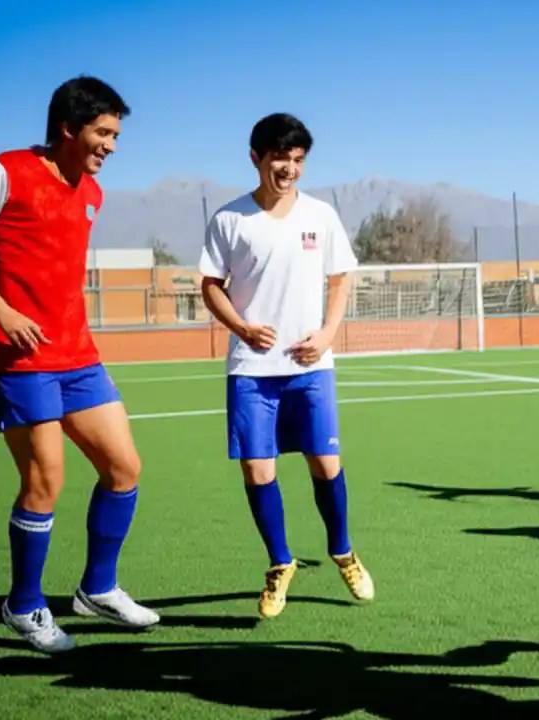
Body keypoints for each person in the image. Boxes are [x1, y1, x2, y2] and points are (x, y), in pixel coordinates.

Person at [0, 76, 158, 654]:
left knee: (124, 468)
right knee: (45, 480)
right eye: (103, 133)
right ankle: (25, 604)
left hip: (78, 355)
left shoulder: (91, 193)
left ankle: (97, 590)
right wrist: (1, 310)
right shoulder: (5, 170)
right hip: (18, 358)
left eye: (115, 134)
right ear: (68, 128)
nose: (111, 145)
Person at [198, 112, 375, 619]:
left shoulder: (320, 216)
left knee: (326, 464)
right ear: (256, 158)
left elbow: (341, 278)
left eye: (298, 160)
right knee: (258, 469)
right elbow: (211, 284)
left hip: (310, 366)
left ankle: (342, 551)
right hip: (252, 370)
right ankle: (280, 564)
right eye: (280, 158)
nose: (289, 169)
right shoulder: (230, 220)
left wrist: (326, 334)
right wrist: (243, 329)